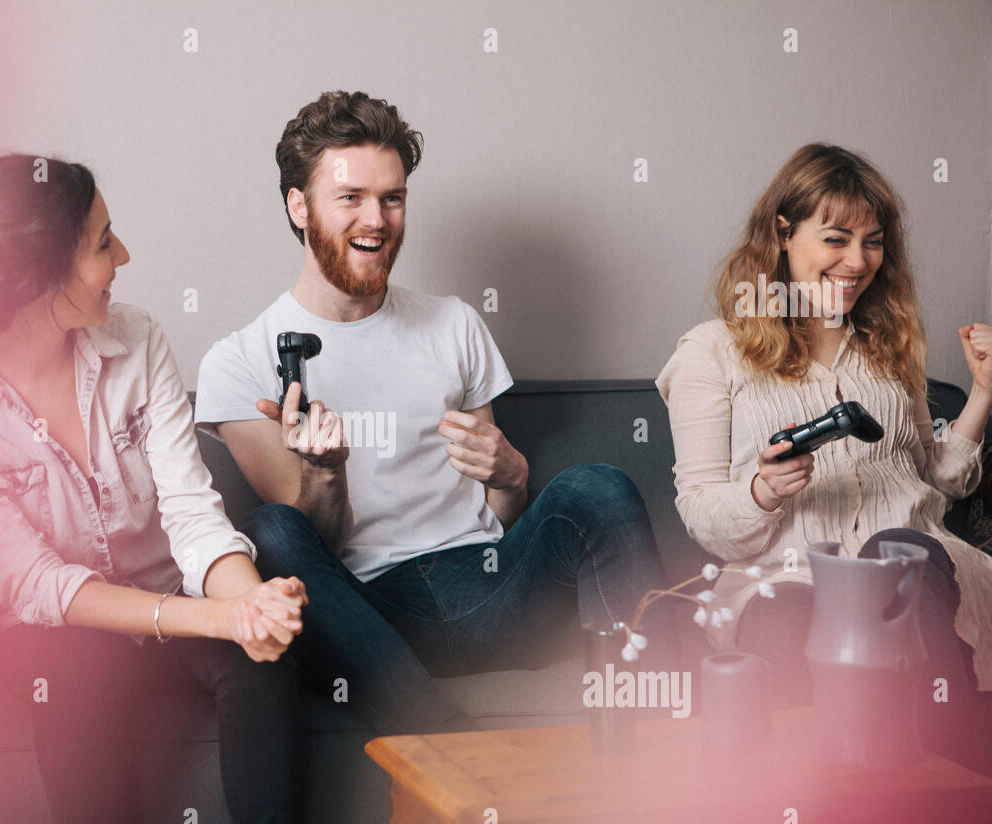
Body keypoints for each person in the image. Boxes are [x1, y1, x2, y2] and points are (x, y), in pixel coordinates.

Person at [195, 91, 675, 737]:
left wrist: (509, 479)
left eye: (392, 198)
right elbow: (311, 546)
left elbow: (501, 513)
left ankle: (660, 739)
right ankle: (444, 741)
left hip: (492, 590)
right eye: (351, 197)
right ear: (298, 205)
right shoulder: (240, 362)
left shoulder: (454, 323)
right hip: (366, 617)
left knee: (597, 485)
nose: (377, 219)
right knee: (275, 529)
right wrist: (326, 473)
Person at [0, 154, 308, 824]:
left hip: (172, 593)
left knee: (260, 661)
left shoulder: (136, 339)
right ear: (34, 277)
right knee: (74, 672)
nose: (124, 257)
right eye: (103, 242)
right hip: (60, 635)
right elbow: (33, 582)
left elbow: (193, 513)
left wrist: (251, 607)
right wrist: (217, 618)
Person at [656, 142, 992, 771]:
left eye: (872, 241)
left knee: (898, 558)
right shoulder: (711, 354)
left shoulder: (892, 346)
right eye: (836, 238)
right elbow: (703, 514)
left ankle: (958, 805)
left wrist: (982, 394)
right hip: (787, 579)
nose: (857, 261)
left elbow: (936, 479)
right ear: (782, 234)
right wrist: (761, 490)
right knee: (787, 614)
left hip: (917, 566)